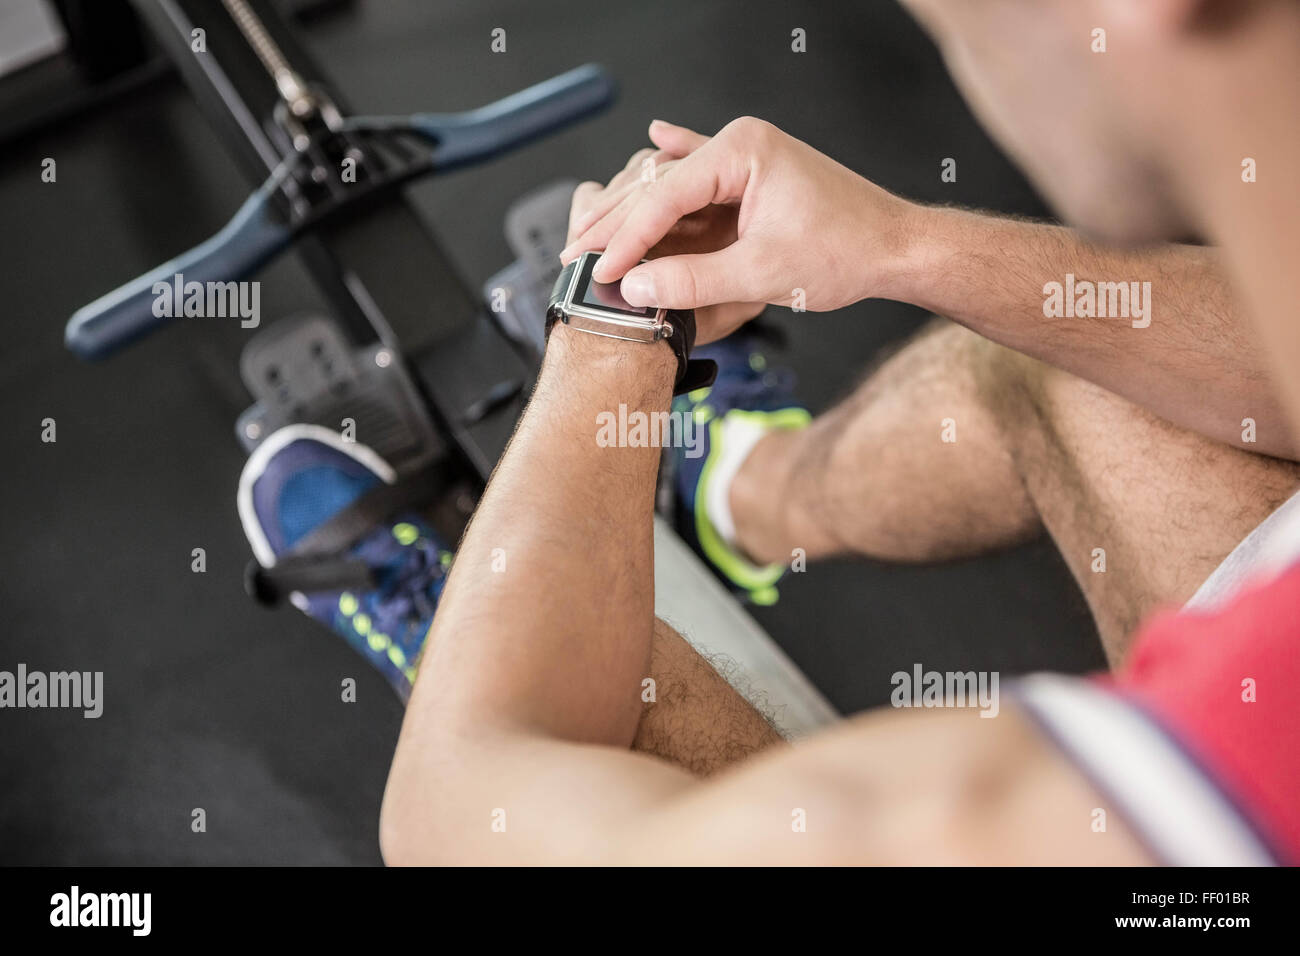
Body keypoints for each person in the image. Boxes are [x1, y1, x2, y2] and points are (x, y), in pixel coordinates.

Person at [367, 0, 1300, 864]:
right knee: (1083, 362)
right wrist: (897, 243)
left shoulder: (1121, 808)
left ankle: (457, 625)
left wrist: (611, 333)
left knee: (594, 691)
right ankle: (738, 492)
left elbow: (447, 801)